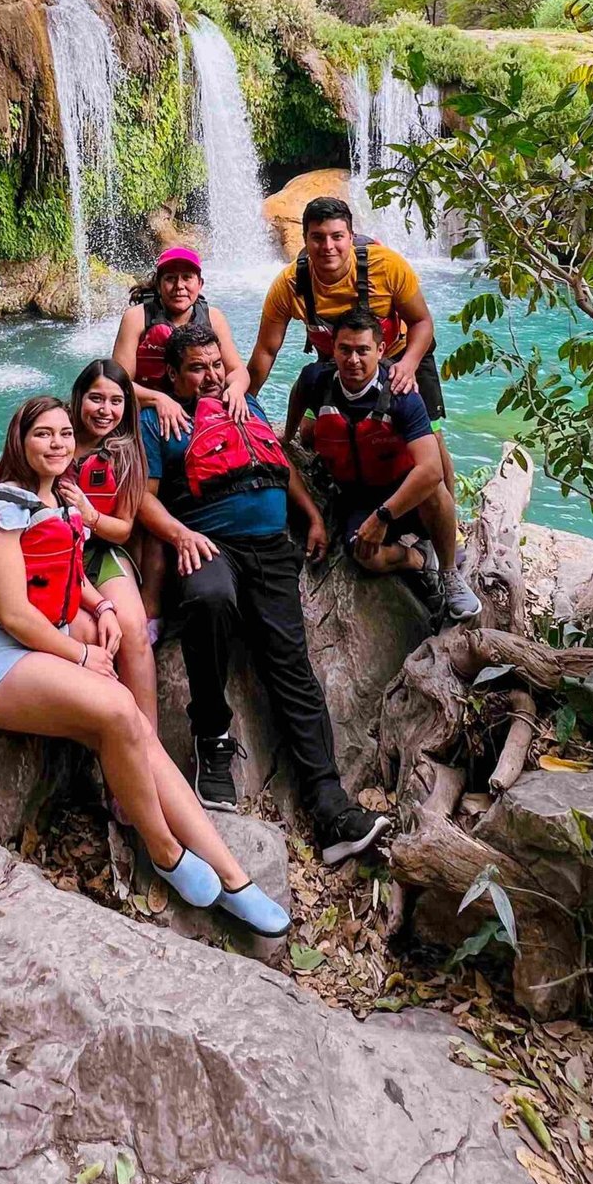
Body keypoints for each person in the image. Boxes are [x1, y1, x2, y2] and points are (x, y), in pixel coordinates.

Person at [0, 394, 290, 938]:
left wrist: (102, 605)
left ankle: (234, 876)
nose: (58, 443)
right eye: (43, 434)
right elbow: (14, 614)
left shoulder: (59, 497)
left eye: (64, 433)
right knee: (117, 708)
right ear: (20, 440)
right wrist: (83, 654)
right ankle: (165, 852)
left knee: (130, 725)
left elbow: (65, 571)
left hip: (46, 644)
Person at [138, 324, 391, 867]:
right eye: (195, 369)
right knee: (208, 600)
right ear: (174, 376)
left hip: (272, 549)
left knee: (290, 665)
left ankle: (332, 810)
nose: (208, 377)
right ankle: (212, 736)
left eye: (213, 365)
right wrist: (180, 534)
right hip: (210, 543)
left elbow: (275, 460)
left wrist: (313, 514)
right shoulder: (159, 420)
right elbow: (144, 501)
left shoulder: (241, 400)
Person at [0, 360, 158, 730]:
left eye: (116, 401)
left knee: (133, 628)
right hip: (48, 558)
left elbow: (124, 529)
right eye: (95, 398)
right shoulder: (52, 434)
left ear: (128, 405)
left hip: (99, 551)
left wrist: (87, 513)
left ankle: (146, 736)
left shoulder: (127, 453)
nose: (105, 410)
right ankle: (110, 722)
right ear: (78, 399)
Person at [247, 196, 457, 496]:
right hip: (342, 362)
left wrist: (408, 365)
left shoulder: (386, 265)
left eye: (337, 237)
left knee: (431, 438)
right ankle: (344, 492)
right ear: (304, 239)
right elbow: (266, 352)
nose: (328, 247)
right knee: (309, 435)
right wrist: (244, 401)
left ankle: (452, 517)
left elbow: (422, 322)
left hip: (400, 353)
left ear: (351, 236)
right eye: (317, 238)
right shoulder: (290, 283)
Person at [283, 306, 480, 624]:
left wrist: (383, 516)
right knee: (366, 557)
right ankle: (419, 559)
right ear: (332, 349)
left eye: (363, 350)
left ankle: (449, 575)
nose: (353, 360)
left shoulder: (401, 394)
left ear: (380, 350)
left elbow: (430, 469)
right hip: (357, 495)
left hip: (404, 493)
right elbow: (299, 394)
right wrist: (288, 435)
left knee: (434, 489)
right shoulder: (316, 379)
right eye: (344, 350)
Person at [112, 248, 250, 436]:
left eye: (187, 277)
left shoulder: (213, 317)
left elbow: (236, 369)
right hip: (151, 410)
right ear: (159, 285)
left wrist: (236, 389)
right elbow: (118, 382)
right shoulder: (136, 318)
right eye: (170, 278)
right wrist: (158, 399)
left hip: (204, 403)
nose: (179, 286)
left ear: (200, 284)